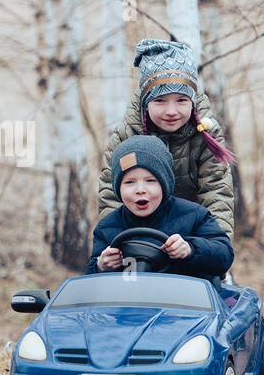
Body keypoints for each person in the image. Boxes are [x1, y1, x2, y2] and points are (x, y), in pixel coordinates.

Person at [97, 39, 236, 239]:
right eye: (160, 101)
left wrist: (215, 249)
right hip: (140, 235)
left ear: (193, 101)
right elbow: (111, 198)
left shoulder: (206, 135)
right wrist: (117, 245)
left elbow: (217, 195)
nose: (171, 111)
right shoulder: (127, 138)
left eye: (181, 100)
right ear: (146, 103)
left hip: (193, 238)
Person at [87, 134, 233, 279]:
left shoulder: (194, 215)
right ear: (118, 188)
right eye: (129, 182)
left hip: (185, 299)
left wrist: (191, 249)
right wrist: (101, 266)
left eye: (150, 181)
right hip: (129, 299)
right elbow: (90, 282)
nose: (140, 190)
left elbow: (224, 255)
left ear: (164, 184)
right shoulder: (107, 226)